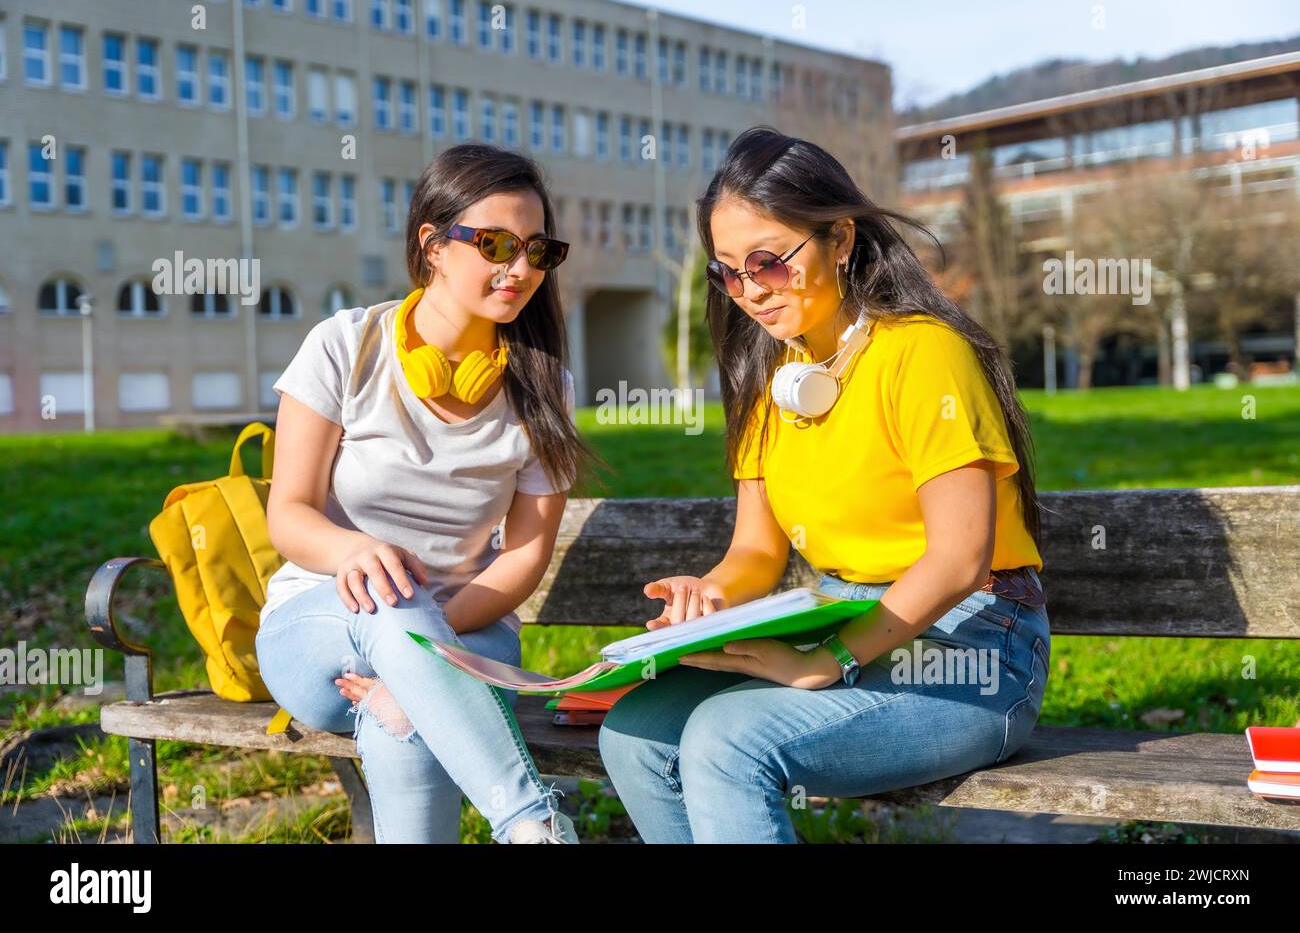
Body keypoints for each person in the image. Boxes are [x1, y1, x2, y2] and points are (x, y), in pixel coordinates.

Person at [597, 126, 1052, 843]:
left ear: (840, 239)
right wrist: (708, 599)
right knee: (635, 734)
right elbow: (754, 551)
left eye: (769, 262)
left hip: (973, 648)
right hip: (841, 620)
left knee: (727, 740)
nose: (749, 292)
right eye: (728, 272)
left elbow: (961, 560)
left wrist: (832, 661)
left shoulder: (923, 354)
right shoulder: (771, 377)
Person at [254, 143, 594, 843]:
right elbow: (287, 515)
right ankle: (533, 823)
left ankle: (422, 700)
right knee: (392, 601)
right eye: (496, 244)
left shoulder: (545, 387)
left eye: (539, 250)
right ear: (433, 244)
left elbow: (521, 561)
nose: (521, 268)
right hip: (322, 631)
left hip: (471, 632)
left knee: (404, 717)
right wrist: (359, 553)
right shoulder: (345, 346)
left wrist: (420, 651)